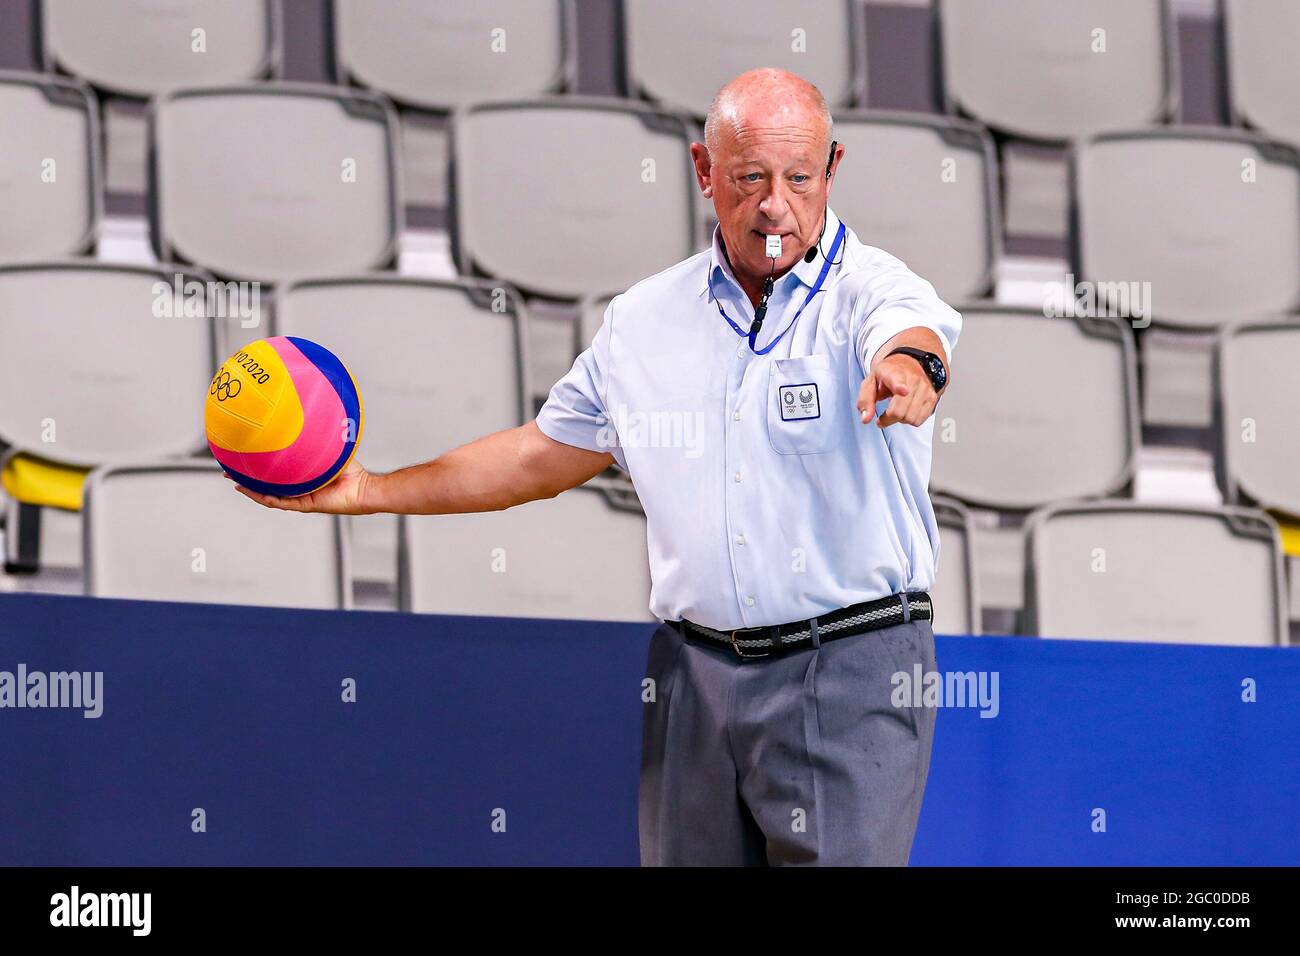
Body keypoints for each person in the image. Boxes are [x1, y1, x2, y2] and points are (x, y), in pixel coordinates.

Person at [234, 67, 960, 866]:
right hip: (695, 670)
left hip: (850, 665)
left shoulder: (873, 290)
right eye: (749, 178)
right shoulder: (642, 322)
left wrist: (912, 369)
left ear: (832, 170)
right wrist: (370, 491)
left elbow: (913, 334)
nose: (775, 205)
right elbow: (539, 457)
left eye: (798, 177)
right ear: (703, 171)